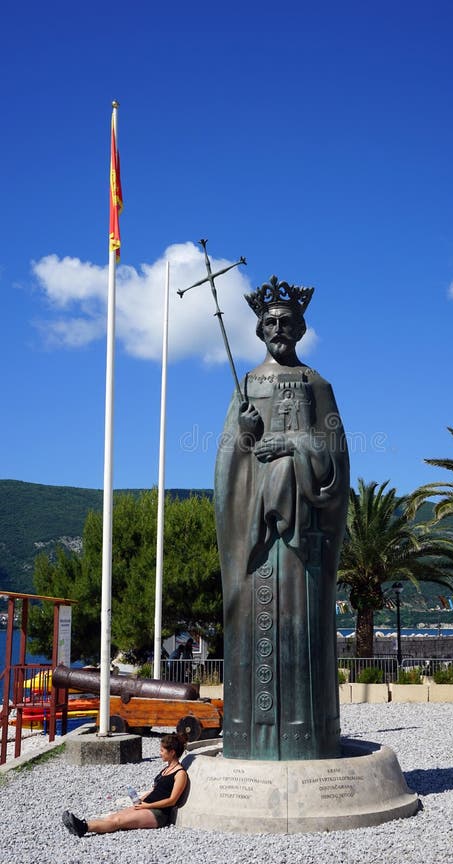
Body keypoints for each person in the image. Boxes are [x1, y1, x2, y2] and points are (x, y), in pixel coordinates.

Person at [214, 276, 349, 761]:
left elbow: (336, 456)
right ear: (258, 329)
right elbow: (229, 462)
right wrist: (245, 436)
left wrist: (294, 444)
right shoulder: (247, 385)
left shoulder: (318, 385)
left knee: (300, 630)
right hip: (257, 536)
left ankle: (308, 738)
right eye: (270, 322)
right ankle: (251, 737)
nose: (279, 329)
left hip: (303, 539)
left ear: (301, 326)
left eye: (287, 322)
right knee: (258, 632)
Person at [62, 733, 188, 836]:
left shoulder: (180, 773)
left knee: (118, 821)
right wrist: (141, 801)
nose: (160, 753)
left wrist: (148, 805)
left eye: (162, 750)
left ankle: (83, 827)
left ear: (172, 752)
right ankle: (80, 824)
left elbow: (172, 800)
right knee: (114, 816)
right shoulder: (165, 770)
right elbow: (155, 791)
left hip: (158, 813)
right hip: (146, 805)